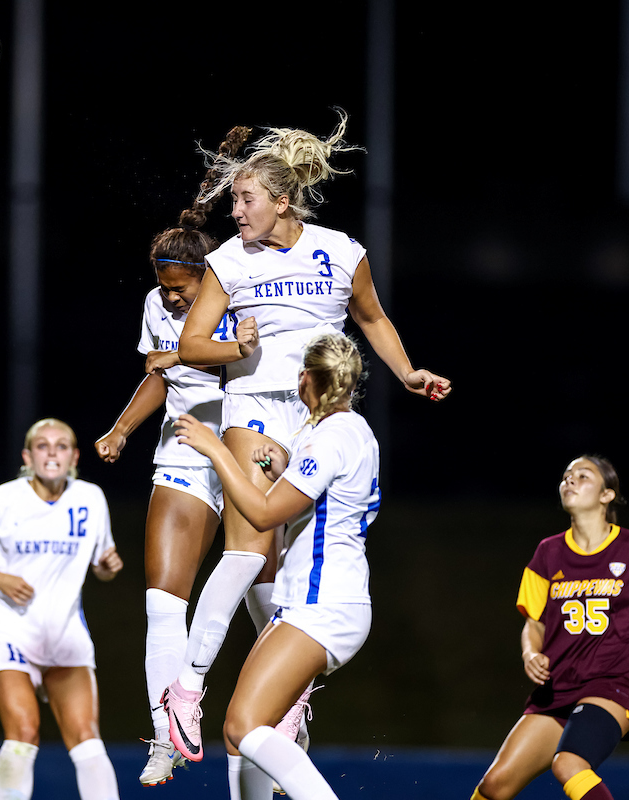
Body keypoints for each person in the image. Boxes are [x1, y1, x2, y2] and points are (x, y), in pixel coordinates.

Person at [163, 113, 450, 760]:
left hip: (314, 418)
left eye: (246, 200)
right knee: (248, 551)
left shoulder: (341, 251)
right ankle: (187, 687)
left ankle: (287, 687)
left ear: (282, 202)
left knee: (293, 559)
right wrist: (234, 347)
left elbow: (371, 318)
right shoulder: (228, 260)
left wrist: (408, 373)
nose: (234, 211)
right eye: (234, 200)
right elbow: (191, 344)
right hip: (253, 407)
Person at [94, 126, 252, 785]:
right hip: (184, 448)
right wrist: (122, 429)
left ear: (207, 276)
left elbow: (250, 362)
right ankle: (166, 733)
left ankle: (283, 717)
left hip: (248, 447)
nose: (172, 299)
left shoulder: (243, 287)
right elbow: (159, 376)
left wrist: (189, 353)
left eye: (183, 289)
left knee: (266, 603)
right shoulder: (155, 304)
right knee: (163, 602)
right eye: (165, 289)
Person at [174, 332, 378, 800]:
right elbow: (324, 497)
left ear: (307, 378)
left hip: (323, 605)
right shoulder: (350, 431)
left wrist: (216, 449)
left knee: (245, 726)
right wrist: (285, 468)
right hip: (317, 602)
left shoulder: (330, 438)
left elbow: (264, 514)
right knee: (240, 732)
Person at [469, 456, 629, 800]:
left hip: (613, 683)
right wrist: (530, 652)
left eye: (583, 475)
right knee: (494, 785)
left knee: (569, 764)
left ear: (607, 495)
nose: (569, 480)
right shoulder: (548, 552)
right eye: (566, 476)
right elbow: (534, 623)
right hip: (558, 686)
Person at [0, 418, 124, 800]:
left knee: (86, 737)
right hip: (8, 630)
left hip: (65, 634)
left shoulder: (91, 498)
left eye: (61, 445)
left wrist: (107, 567)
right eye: (42, 446)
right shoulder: (0, 499)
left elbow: (102, 565)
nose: (52, 453)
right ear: (27, 457)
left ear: (74, 457)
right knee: (24, 730)